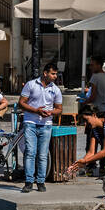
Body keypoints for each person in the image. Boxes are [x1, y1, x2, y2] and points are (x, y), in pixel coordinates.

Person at [19, 61, 63, 193]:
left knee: (43, 155)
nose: (55, 76)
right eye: (53, 74)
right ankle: (28, 181)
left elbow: (59, 109)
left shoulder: (55, 89)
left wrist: (50, 112)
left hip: (46, 125)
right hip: (30, 123)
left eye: (56, 74)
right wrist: (35, 111)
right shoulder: (31, 85)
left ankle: (41, 181)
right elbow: (21, 103)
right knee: (30, 152)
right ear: (45, 73)